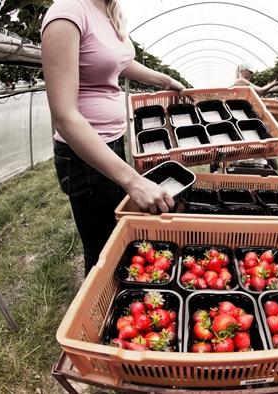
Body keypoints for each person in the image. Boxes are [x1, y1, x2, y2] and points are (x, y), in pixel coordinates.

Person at [40, 0, 185, 276]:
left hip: (112, 143)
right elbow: (65, 116)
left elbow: (121, 60)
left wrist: (165, 80)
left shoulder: (108, 12)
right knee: (102, 251)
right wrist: (133, 180)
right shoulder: (67, 14)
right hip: (84, 156)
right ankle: (95, 313)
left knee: (119, 236)